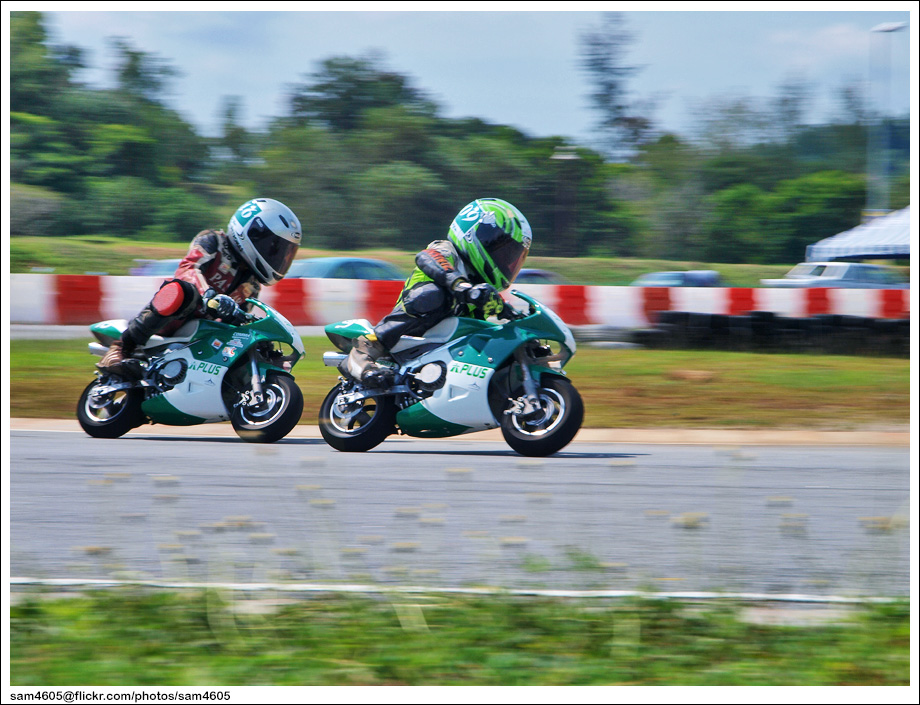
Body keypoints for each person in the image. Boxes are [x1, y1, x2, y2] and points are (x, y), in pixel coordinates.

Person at [340, 197, 532, 388]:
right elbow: (426, 257)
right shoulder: (447, 250)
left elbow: (498, 310)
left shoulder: (481, 287)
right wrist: (459, 285)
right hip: (415, 325)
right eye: (505, 253)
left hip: (441, 348)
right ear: (477, 235)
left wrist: (517, 321)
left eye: (513, 258)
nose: (508, 263)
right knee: (434, 295)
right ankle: (366, 349)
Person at [96, 198, 302, 374]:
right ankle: (121, 348)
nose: (276, 256)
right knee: (181, 290)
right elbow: (188, 268)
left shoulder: (252, 284)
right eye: (273, 248)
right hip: (171, 320)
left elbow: (239, 325)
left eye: (284, 252)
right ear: (253, 233)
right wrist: (210, 295)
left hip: (201, 336)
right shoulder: (212, 241)